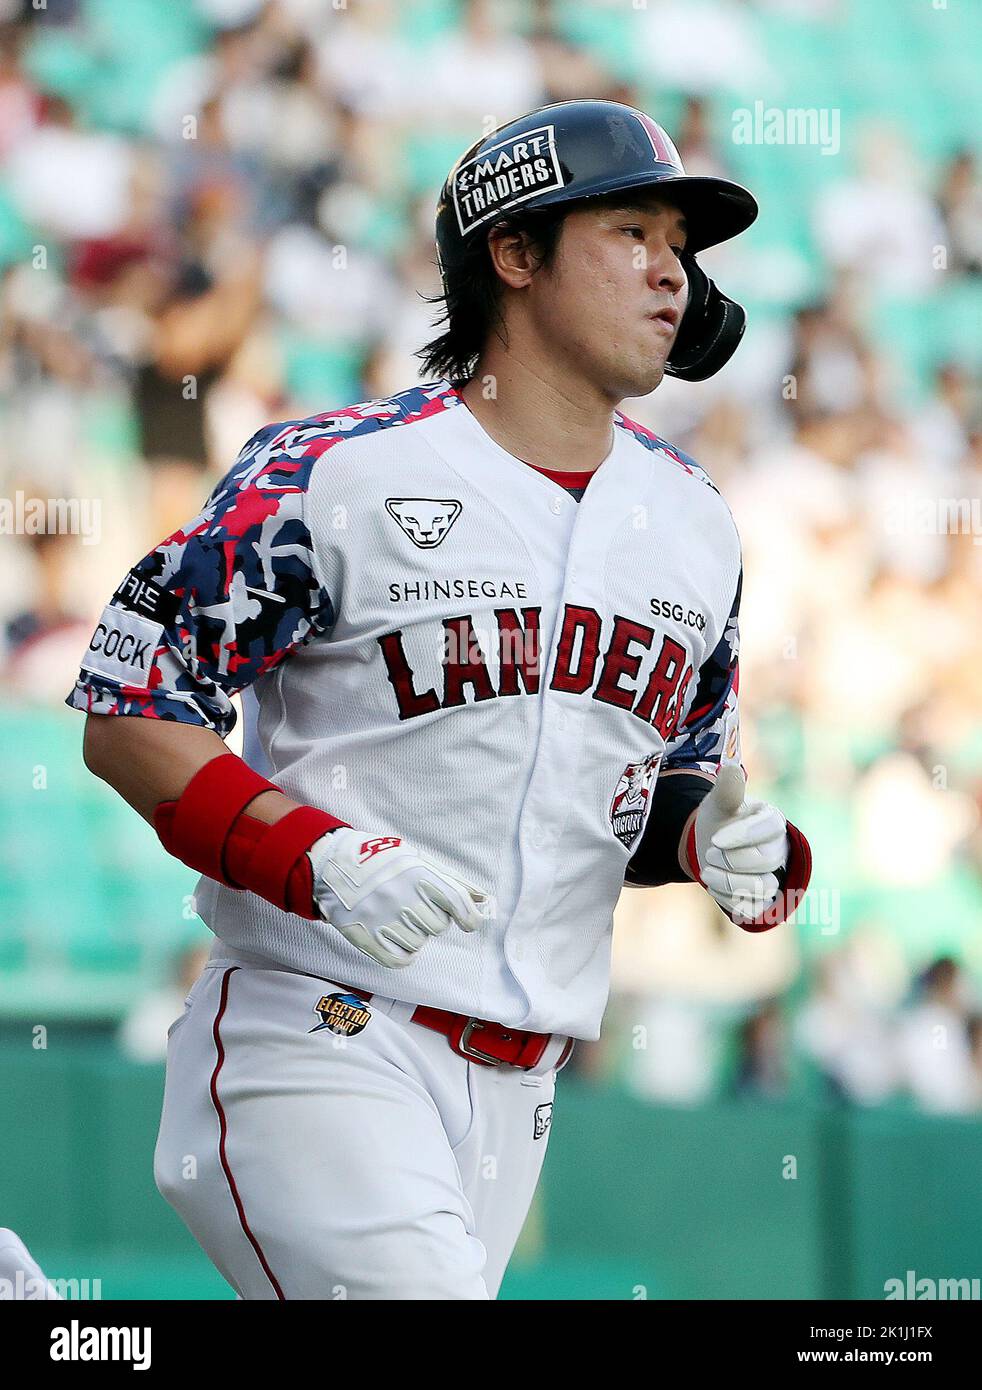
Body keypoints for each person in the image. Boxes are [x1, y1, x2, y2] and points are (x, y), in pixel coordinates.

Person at [68, 100, 811, 1300]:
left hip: (521, 1093)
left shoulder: (696, 524)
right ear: (513, 256)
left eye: (680, 244)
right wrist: (316, 856)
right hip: (318, 1038)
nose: (671, 269)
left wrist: (708, 836)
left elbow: (655, 781)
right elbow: (130, 706)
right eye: (630, 231)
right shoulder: (336, 469)